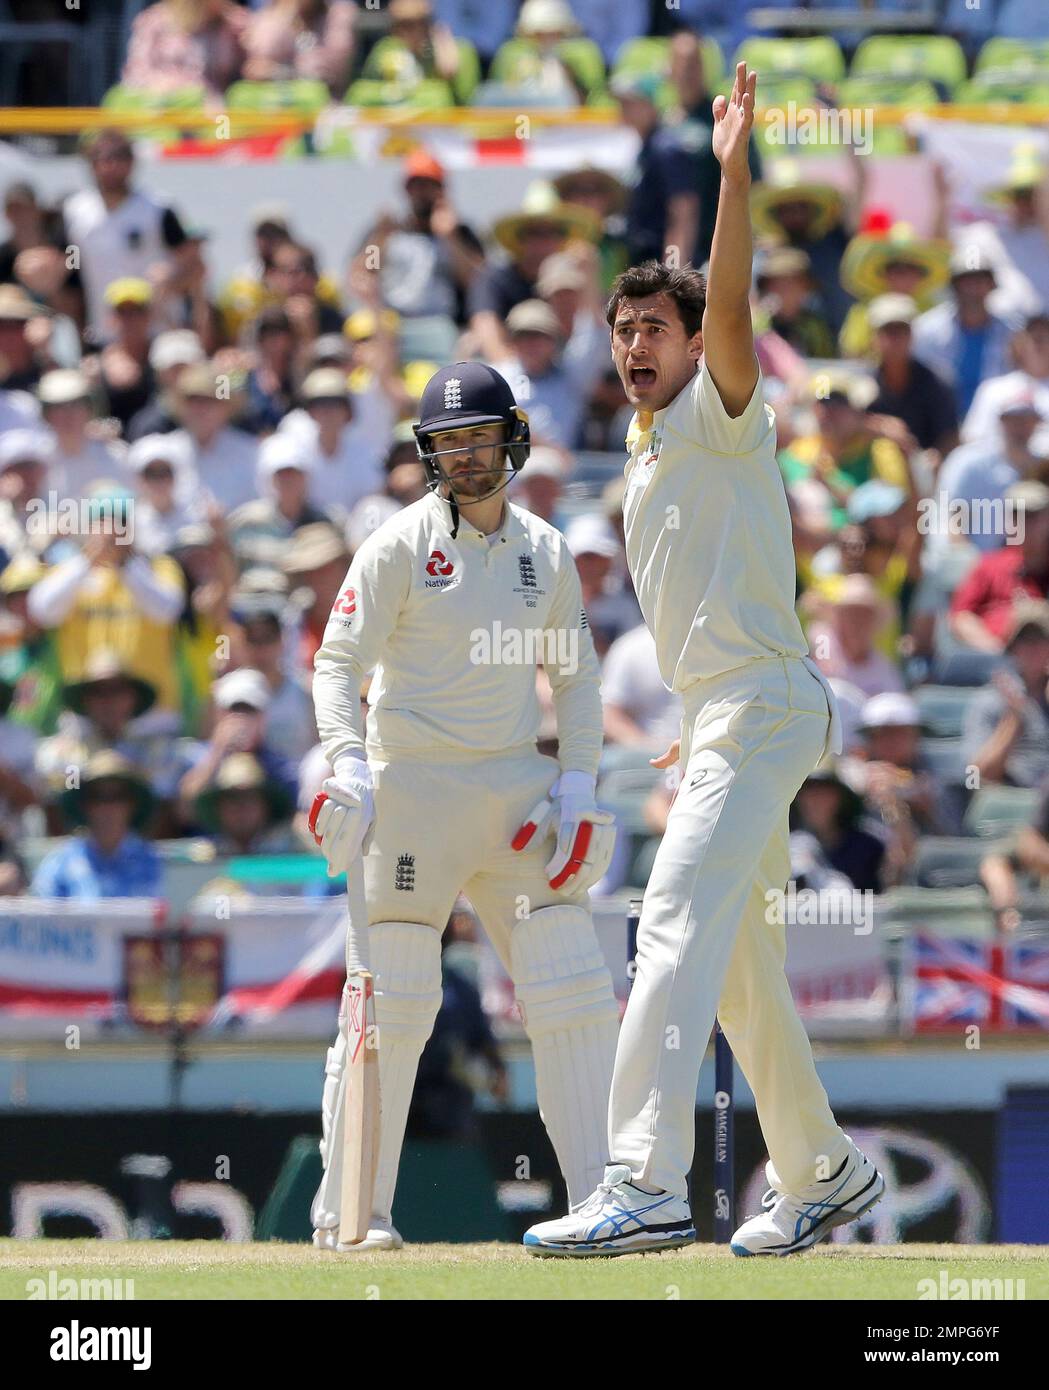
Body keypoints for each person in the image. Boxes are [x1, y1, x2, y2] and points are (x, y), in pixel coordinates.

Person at [526, 65, 883, 1259]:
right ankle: (823, 1168)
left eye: (652, 329)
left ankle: (644, 1181)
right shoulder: (636, 447)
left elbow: (729, 305)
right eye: (621, 329)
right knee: (732, 969)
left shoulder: (719, 410)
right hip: (720, 718)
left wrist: (729, 174)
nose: (634, 344)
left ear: (690, 345)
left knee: (669, 919)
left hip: (764, 707)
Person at [307, 360, 619, 1252]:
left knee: (569, 986)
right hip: (409, 789)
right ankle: (354, 1217)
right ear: (427, 452)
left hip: (514, 790)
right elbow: (336, 665)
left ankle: (605, 1208)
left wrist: (579, 783)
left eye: (480, 438)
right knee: (392, 998)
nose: (467, 457)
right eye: (449, 443)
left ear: (511, 438)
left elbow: (577, 679)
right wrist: (348, 766)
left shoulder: (545, 551)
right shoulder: (399, 544)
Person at [61, 130, 191, 344]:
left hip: (159, 332)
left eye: (118, 157)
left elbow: (192, 263)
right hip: (103, 333)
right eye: (101, 159)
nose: (109, 166)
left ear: (132, 163)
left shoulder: (158, 208)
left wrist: (172, 275)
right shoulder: (75, 212)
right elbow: (70, 270)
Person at [32, 752, 163, 900]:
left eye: (118, 796)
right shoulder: (59, 864)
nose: (107, 807)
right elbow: (43, 916)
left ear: (133, 804)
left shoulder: (155, 861)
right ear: (83, 805)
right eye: (97, 796)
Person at [912, 246, 1023, 418]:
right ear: (954, 286)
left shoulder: (1014, 332)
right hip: (939, 423)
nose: (972, 290)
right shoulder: (926, 330)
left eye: (979, 281)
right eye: (966, 282)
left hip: (997, 425)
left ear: (991, 285)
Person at [611, 72, 700, 270]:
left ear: (651, 105)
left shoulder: (667, 149)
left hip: (659, 264)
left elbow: (683, 212)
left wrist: (674, 269)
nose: (624, 110)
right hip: (644, 261)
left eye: (631, 103)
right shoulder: (645, 148)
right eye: (622, 104)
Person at [949, 480, 1049, 651]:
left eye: (1033, 516)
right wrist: (997, 652)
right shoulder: (989, 566)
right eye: (1017, 515)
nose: (1025, 524)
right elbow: (961, 618)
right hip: (997, 665)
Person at [961, 601, 1049, 789]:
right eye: (1025, 639)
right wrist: (1014, 718)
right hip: (1008, 803)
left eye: (1041, 638)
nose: (1033, 647)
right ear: (1013, 647)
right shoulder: (989, 700)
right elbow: (972, 779)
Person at [866, 294, 959, 458]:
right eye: (888, 331)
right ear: (875, 338)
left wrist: (938, 458)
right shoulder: (861, 382)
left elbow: (950, 437)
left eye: (902, 331)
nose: (895, 339)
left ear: (912, 335)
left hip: (922, 471)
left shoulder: (937, 383)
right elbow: (839, 420)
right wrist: (881, 428)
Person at [121, 0, 248, 103]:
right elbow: (135, 72)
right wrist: (168, 85)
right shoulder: (155, 20)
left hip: (212, 109)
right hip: (160, 103)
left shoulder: (232, 24)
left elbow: (251, 66)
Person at [38, 369, 127, 499]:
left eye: (75, 405)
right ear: (46, 414)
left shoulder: (117, 456)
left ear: (89, 408)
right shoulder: (36, 461)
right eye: (57, 407)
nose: (67, 415)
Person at [242, 0, 356, 96]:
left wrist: (278, 72)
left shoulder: (339, 13)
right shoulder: (275, 14)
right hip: (274, 103)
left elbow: (328, 71)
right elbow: (256, 65)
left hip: (329, 105)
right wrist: (285, 14)